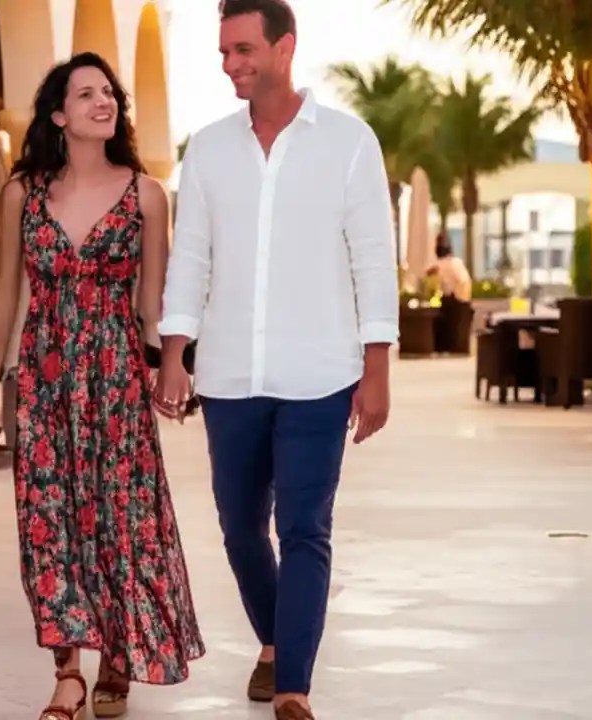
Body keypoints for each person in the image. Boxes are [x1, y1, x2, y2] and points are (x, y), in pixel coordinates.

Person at [154, 2, 398, 718]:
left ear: (285, 47)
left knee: (305, 528)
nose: (231, 64)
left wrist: (376, 370)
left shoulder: (350, 143)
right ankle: (275, 640)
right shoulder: (208, 147)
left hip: (322, 373)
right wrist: (175, 351)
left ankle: (292, 684)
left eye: (243, 49)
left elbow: (373, 260)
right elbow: (191, 254)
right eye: (224, 52)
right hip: (229, 374)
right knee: (238, 528)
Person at [0, 52, 205, 720]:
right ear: (59, 114)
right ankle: (68, 673)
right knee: (48, 521)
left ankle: (117, 655)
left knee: (119, 521)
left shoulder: (145, 196)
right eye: (86, 94)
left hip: (114, 381)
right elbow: (4, 290)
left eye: (108, 92)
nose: (103, 101)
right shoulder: (23, 192)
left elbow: (153, 297)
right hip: (45, 378)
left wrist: (173, 363)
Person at [427, 232, 473, 302]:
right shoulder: (457, 262)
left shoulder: (440, 264)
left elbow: (429, 273)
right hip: (464, 301)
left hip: (454, 301)